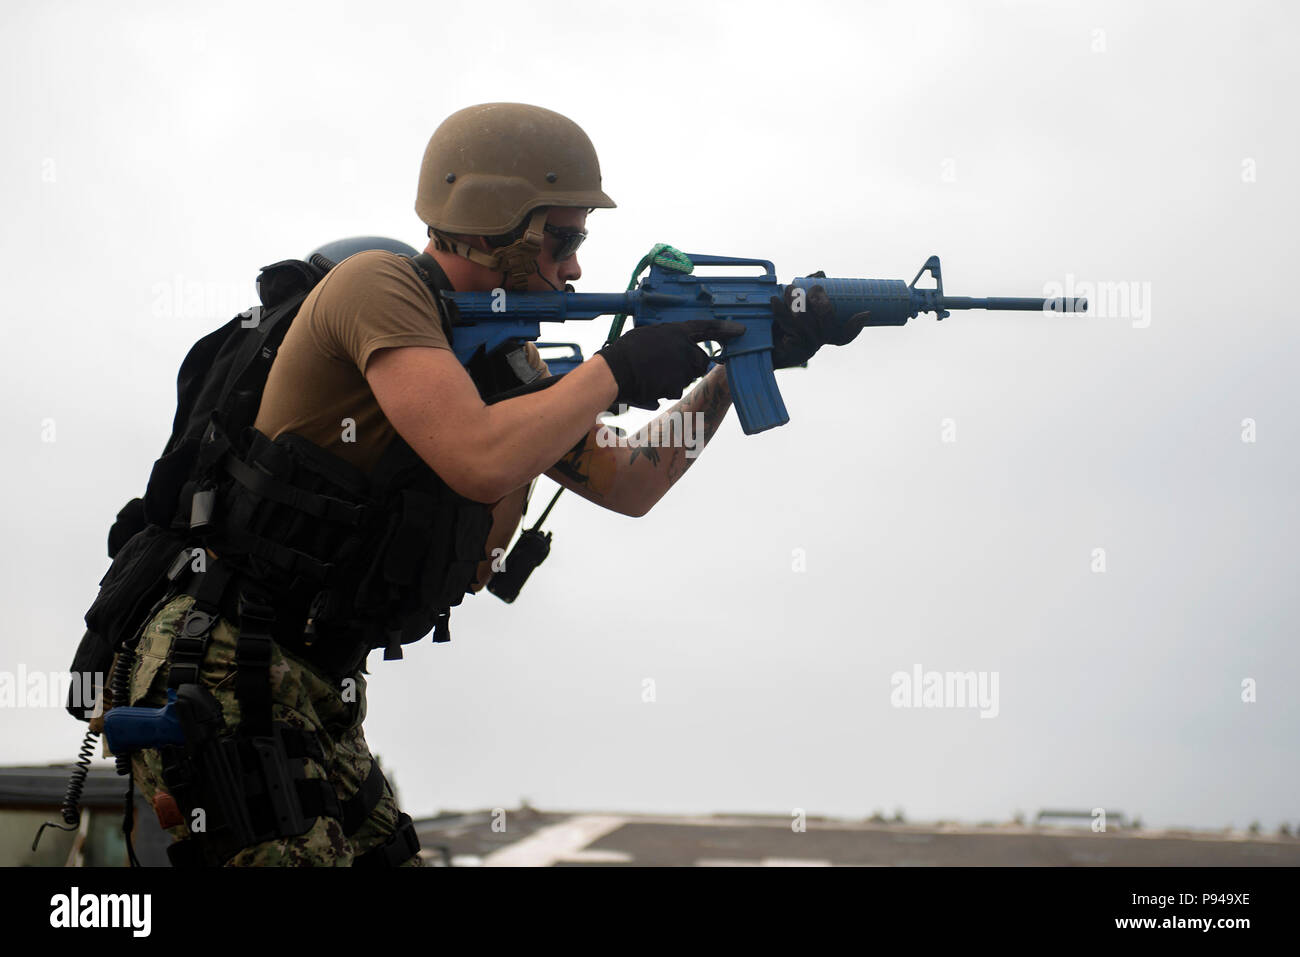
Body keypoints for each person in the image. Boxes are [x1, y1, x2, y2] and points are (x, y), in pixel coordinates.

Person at [117, 102, 849, 866]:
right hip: (228, 660)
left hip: (311, 676)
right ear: (493, 220)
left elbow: (631, 479)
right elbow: (478, 456)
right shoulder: (380, 289)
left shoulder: (499, 362)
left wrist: (733, 368)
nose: (572, 267)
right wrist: (617, 369)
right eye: (559, 239)